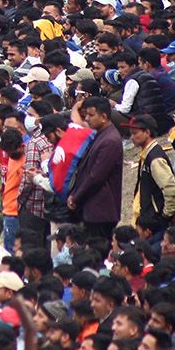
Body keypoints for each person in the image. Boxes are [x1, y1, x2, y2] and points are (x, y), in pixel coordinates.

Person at [66, 97, 125, 243]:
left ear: (104, 117)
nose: (87, 119)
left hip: (101, 210)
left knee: (97, 252)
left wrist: (76, 196)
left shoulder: (110, 140)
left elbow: (96, 176)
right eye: (86, 115)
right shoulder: (99, 134)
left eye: (91, 115)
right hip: (92, 207)